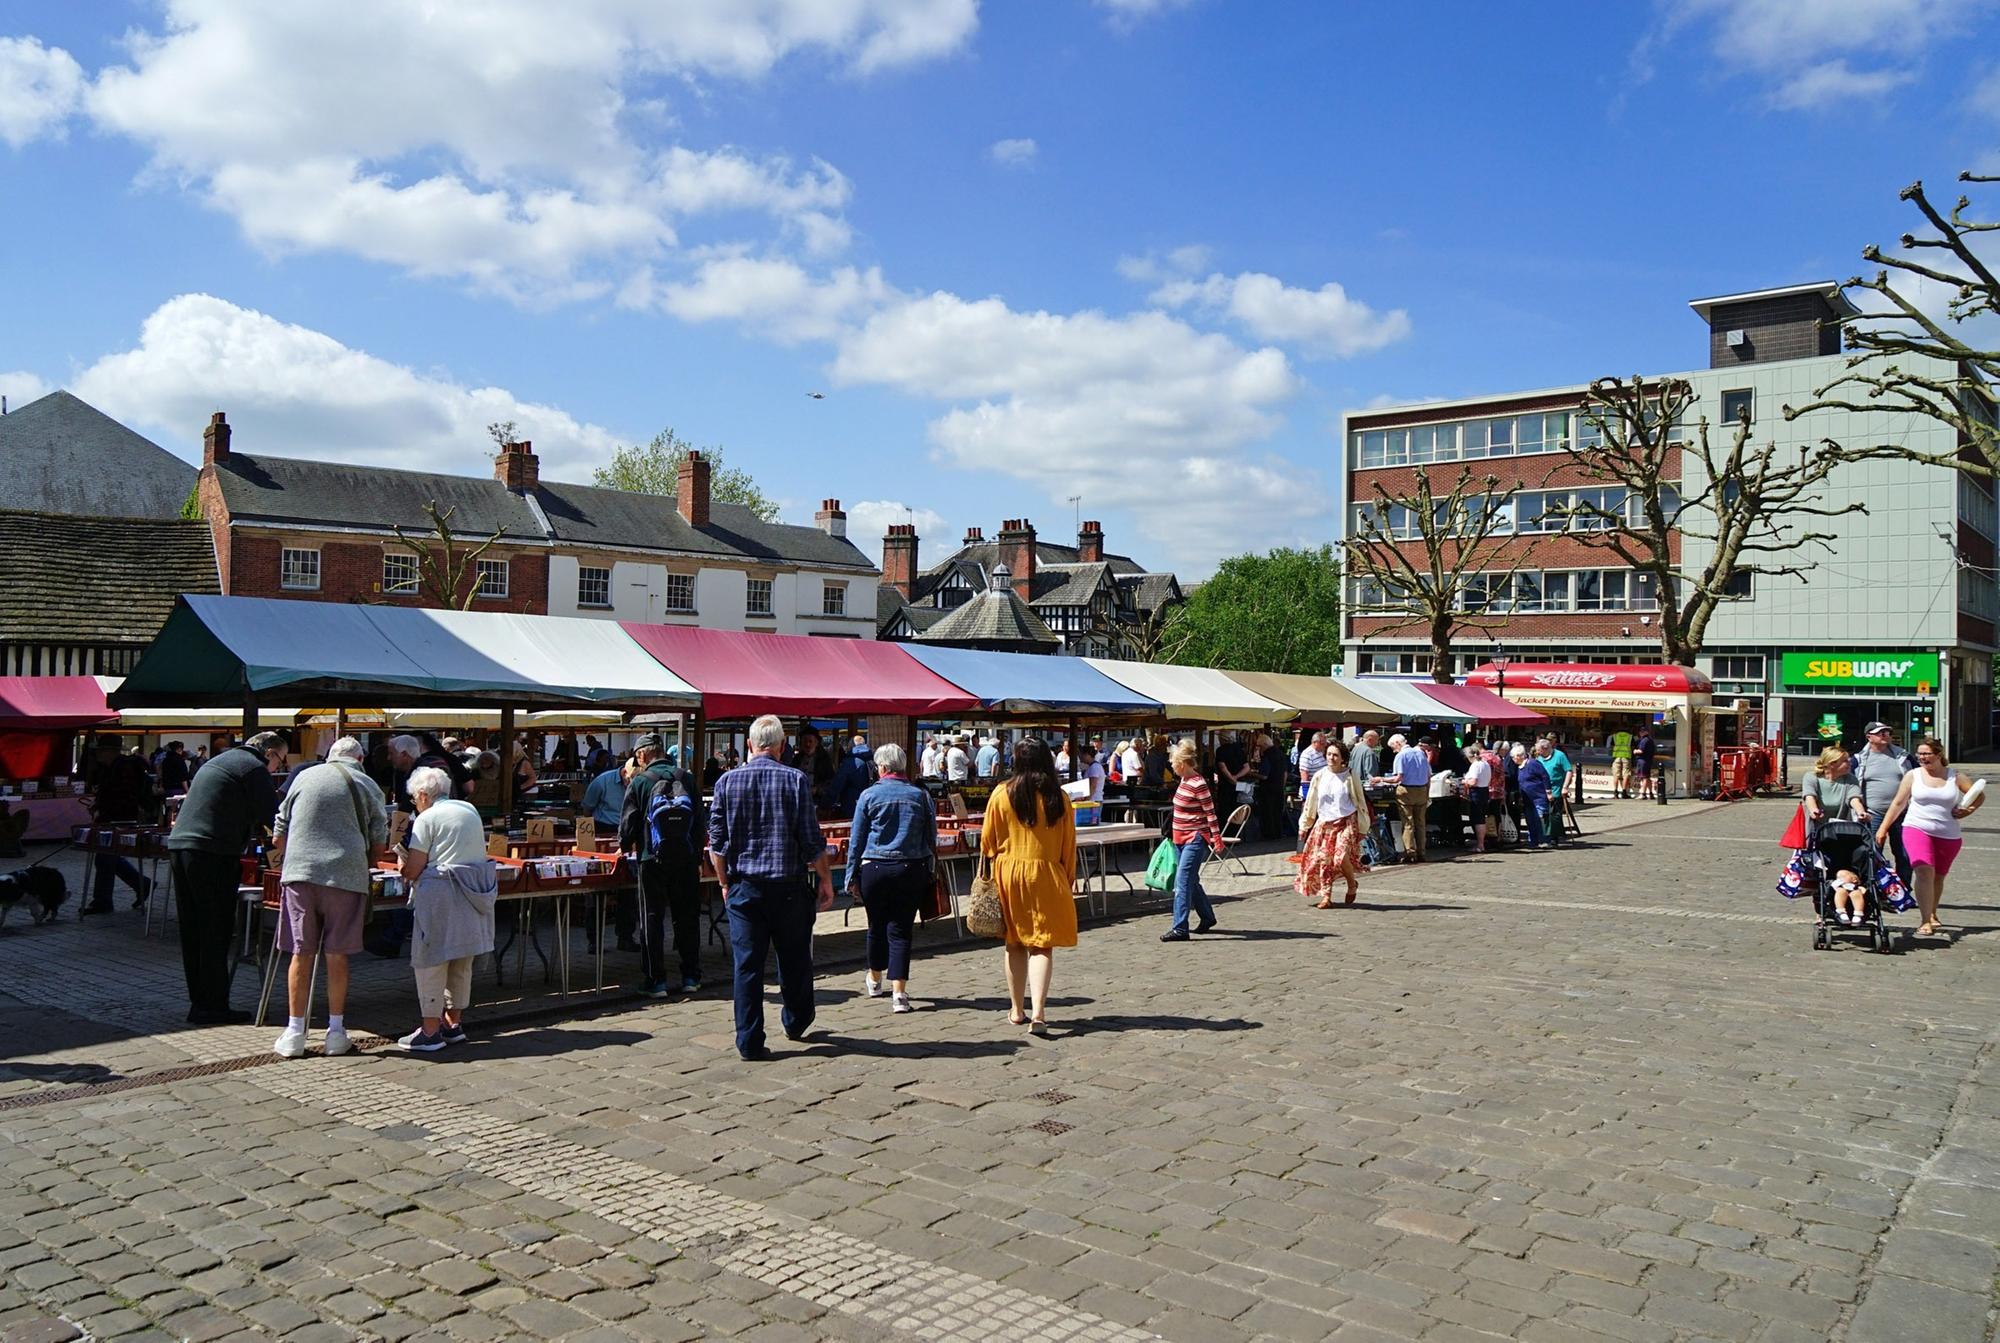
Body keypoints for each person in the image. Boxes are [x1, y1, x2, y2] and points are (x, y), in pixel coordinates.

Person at [707, 714, 835, 1061]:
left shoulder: (726, 783)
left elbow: (717, 844)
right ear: (781, 746)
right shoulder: (794, 781)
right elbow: (811, 840)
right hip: (788, 887)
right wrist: (825, 879)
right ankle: (796, 1020)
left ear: (750, 745)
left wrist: (722, 883)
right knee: (794, 959)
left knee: (747, 967)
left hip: (744, 887)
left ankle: (749, 1040)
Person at [269, 737, 388, 1059]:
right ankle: (336, 1033)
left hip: (300, 873)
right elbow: (379, 840)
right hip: (345, 875)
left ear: (329, 757)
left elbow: (279, 834)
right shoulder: (366, 783)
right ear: (360, 759)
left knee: (300, 952)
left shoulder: (303, 777)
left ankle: (294, 1033)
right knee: (337, 955)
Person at [167, 730, 285, 1023]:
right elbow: (274, 818)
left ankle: (200, 1002)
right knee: (216, 928)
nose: (277, 768)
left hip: (182, 846)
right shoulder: (253, 767)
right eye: (279, 761)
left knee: (193, 929)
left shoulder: (223, 760)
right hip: (212, 853)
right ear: (269, 752)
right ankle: (214, 1006)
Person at [396, 765, 497, 1051]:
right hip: (473, 894)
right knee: (461, 961)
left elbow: (414, 868)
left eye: (415, 799)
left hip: (440, 897)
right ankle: (453, 1024)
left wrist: (402, 863)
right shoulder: (469, 810)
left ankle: (430, 1032)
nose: (415, 804)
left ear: (424, 795)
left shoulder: (426, 819)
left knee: (431, 962)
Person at [979, 738, 1076, 1032]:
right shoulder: (1059, 798)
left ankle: (1017, 1009)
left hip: (1009, 873)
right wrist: (1067, 880)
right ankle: (1040, 1012)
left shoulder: (1000, 794)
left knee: (1014, 943)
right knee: (1042, 945)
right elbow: (1068, 846)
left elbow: (987, 841)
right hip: (1047, 873)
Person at [843, 744, 936, 1014]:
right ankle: (899, 994)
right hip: (911, 868)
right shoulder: (920, 796)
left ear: (881, 767)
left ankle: (874, 978)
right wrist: (931, 868)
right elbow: (931, 836)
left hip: (875, 868)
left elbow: (857, 840)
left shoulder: (868, 795)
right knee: (901, 929)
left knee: (876, 925)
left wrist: (850, 875)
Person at [620, 733, 707, 996]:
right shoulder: (686, 777)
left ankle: (656, 980)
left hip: (651, 859)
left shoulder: (640, 782)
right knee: (687, 917)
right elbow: (700, 821)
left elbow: (627, 826)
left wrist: (625, 847)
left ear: (643, 754)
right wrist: (696, 855)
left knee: (652, 918)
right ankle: (691, 977)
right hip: (686, 859)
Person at [1875, 737, 1982, 939]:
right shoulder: (1913, 775)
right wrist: (1883, 828)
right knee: (1924, 871)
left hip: (1948, 833)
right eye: (1920, 754)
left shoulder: (1955, 776)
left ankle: (1932, 913)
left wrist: (1967, 811)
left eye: (1927, 754)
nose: (1922, 758)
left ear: (1938, 754)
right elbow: (1898, 803)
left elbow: (1979, 794)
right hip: (1916, 827)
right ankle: (1925, 921)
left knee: (1938, 876)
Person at [83, 736, 155, 914]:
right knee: (108, 857)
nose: (98, 754)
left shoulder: (124, 768)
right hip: (112, 818)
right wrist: (98, 805)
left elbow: (123, 796)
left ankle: (103, 901)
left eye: (100, 750)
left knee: (105, 857)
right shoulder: (110, 768)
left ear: (109, 751)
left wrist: (103, 809)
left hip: (119, 819)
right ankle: (142, 884)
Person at [1162, 739, 1225, 941]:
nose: (1171, 765)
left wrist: (1217, 839)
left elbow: (1211, 813)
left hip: (1195, 838)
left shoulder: (1199, 784)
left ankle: (1180, 928)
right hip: (1179, 839)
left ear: (1182, 763)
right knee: (1191, 880)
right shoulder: (1183, 781)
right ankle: (1207, 917)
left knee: (1182, 883)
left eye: (1173, 762)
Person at [1297, 740, 1371, 907]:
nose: (1331, 758)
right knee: (1324, 859)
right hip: (1324, 823)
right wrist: (1305, 825)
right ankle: (1326, 897)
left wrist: (1364, 826)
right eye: (1329, 754)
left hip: (1346, 821)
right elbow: (1311, 802)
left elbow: (1360, 802)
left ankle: (1352, 884)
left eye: (1335, 755)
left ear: (1343, 758)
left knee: (1340, 856)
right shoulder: (1320, 775)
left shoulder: (1351, 775)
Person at [1852, 721, 1915, 886]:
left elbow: (1920, 776)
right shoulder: (1859, 759)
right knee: (1872, 852)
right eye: (1881, 733)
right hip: (1873, 815)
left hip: (1902, 813)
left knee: (1904, 854)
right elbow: (1850, 783)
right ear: (1869, 737)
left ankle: (1903, 890)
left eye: (1887, 732)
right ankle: (1871, 889)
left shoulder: (1903, 756)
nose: (1885, 735)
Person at [1388, 733, 1433, 864]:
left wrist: (1381, 779)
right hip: (1422, 790)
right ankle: (1422, 852)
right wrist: (1427, 793)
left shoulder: (1401, 755)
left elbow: (1398, 778)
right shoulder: (1421, 754)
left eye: (1393, 747)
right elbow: (1428, 776)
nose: (1393, 750)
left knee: (1408, 823)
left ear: (1397, 743)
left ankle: (1410, 853)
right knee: (1420, 823)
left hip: (1406, 791)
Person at [1802, 746, 1869, 828]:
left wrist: (1861, 812)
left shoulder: (1850, 778)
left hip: (1841, 827)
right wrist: (1814, 810)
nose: (1850, 763)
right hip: (1816, 826)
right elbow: (1809, 797)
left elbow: (1854, 799)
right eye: (1845, 761)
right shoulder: (1811, 777)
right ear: (1832, 764)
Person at [1513, 744, 1551, 848]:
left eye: (1514, 757)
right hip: (1527, 799)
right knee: (1530, 820)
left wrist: (1548, 792)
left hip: (1538, 797)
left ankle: (1544, 840)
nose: (1513, 759)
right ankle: (1533, 841)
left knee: (1540, 819)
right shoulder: (1519, 767)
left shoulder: (1533, 763)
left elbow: (1545, 776)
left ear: (1520, 756)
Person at [1535, 739, 1569, 847]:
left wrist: (1565, 787)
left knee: (1554, 814)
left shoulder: (1559, 755)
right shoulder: (1540, 758)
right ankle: (1545, 836)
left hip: (1556, 789)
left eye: (1539, 750)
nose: (1537, 752)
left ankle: (1554, 838)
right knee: (1543, 814)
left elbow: (1568, 770)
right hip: (1542, 790)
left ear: (1545, 749)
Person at [1462, 746, 1496, 853]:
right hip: (1485, 790)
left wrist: (1464, 781)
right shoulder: (1485, 763)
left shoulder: (1475, 765)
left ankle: (1480, 845)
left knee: (1478, 819)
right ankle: (1481, 843)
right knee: (1481, 818)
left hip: (1477, 792)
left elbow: (1473, 782)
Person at [831, 737, 873, 818]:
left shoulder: (850, 763)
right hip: (870, 805)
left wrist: (824, 805)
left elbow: (836, 786)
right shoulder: (872, 759)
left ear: (850, 746)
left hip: (852, 807)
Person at [1297, 732, 1329, 801]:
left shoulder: (1323, 751)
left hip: (1323, 791)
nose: (1325, 745)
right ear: (1315, 743)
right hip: (1312, 792)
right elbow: (1304, 776)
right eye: (1322, 743)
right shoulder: (1307, 754)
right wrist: (1307, 795)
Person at [1607, 726, 1635, 798]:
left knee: (1616, 775)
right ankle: (1624, 792)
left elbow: (1610, 747)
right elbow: (1633, 747)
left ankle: (1615, 792)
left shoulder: (1614, 736)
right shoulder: (1630, 736)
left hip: (1616, 757)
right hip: (1626, 756)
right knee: (1626, 774)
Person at [1634, 728, 1656, 799]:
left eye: (1642, 731)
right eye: (1640, 731)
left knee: (1644, 777)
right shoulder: (1650, 740)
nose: (1640, 733)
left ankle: (1643, 794)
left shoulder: (1644, 740)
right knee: (1647, 777)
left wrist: (1635, 751)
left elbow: (1641, 751)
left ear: (1645, 732)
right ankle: (1651, 793)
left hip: (1643, 760)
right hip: (1648, 760)